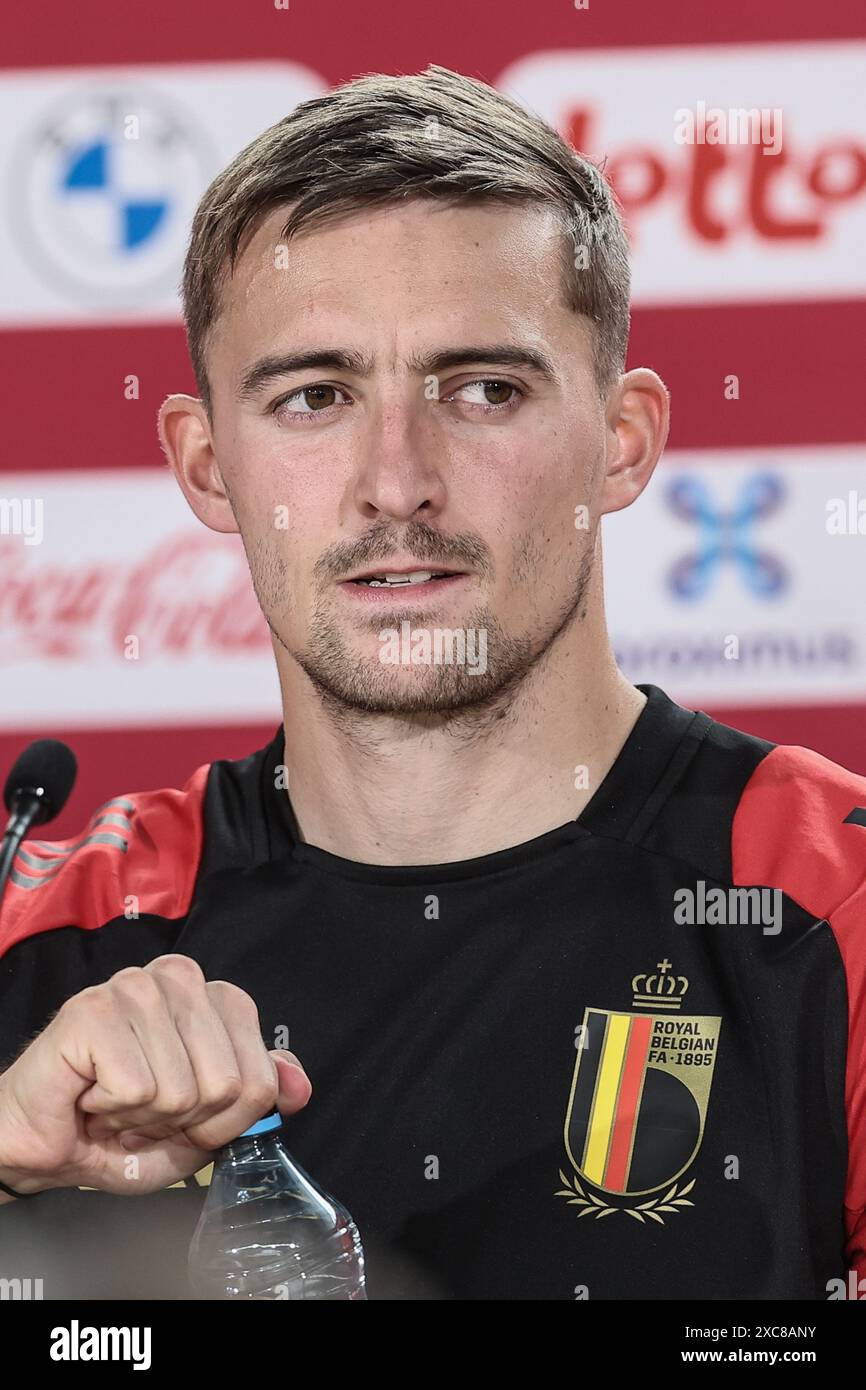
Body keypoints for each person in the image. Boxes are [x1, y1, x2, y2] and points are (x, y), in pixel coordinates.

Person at [0, 64, 864, 1302]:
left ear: (622, 442)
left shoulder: (835, 909)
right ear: (204, 466)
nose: (395, 481)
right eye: (314, 397)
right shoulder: (43, 937)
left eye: (482, 390)